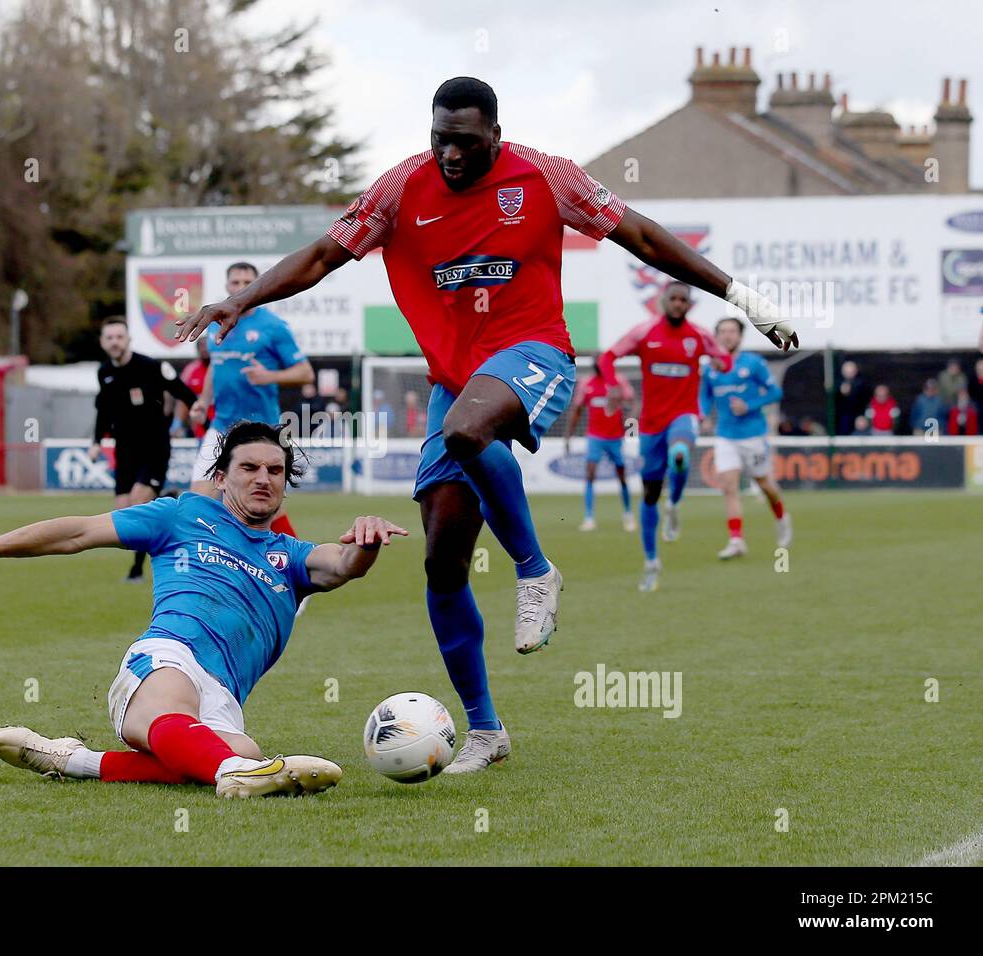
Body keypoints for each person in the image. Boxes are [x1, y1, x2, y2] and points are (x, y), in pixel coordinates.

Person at [173, 76, 796, 772]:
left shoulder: (546, 176)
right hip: (453, 381)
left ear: (494, 136)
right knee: (442, 561)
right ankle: (486, 731)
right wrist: (242, 302)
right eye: (440, 139)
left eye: (465, 142)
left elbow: (644, 237)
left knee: (469, 432)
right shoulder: (398, 189)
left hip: (535, 352)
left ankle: (535, 570)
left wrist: (739, 295)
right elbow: (322, 256)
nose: (450, 155)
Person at [0, 422, 408, 798]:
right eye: (249, 468)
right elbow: (76, 533)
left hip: (224, 692)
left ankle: (77, 761)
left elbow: (343, 564)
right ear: (221, 476)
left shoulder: (291, 557)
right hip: (169, 656)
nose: (263, 479)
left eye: (274, 471)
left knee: (243, 752)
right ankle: (231, 774)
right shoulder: (181, 514)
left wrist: (365, 540)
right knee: (189, 721)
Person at [599, 283, 732, 591]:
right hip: (651, 424)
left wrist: (719, 362)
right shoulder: (644, 333)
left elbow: (725, 361)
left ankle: (674, 505)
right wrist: (613, 385)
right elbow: (607, 357)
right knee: (648, 494)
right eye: (672, 298)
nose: (677, 303)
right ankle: (650, 561)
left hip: (684, 416)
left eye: (682, 299)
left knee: (680, 456)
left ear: (689, 304)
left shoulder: (699, 335)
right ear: (662, 302)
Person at [188, 261, 315, 547]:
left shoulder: (273, 327)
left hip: (262, 431)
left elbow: (305, 373)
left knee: (268, 508)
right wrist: (203, 401)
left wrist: (269, 375)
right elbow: (215, 367)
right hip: (221, 426)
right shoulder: (216, 323)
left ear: (259, 287)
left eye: (248, 282)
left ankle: (299, 572)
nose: (241, 288)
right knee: (198, 501)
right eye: (235, 282)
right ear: (227, 287)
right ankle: (209, 571)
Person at [90, 316, 200, 582]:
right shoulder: (104, 372)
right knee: (123, 511)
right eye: (109, 338)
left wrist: (196, 407)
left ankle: (137, 569)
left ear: (128, 339)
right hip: (125, 449)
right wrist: (96, 441)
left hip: (154, 446)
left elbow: (180, 389)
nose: (115, 342)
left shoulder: (149, 366)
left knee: (139, 504)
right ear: (103, 343)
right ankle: (166, 496)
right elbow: (104, 412)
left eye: (119, 336)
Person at [699, 317, 791, 560]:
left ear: (740, 336)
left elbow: (775, 392)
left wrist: (749, 405)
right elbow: (705, 396)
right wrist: (703, 414)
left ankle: (781, 518)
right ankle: (736, 540)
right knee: (729, 486)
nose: (727, 336)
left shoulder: (753, 363)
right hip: (725, 436)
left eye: (732, 331)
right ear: (717, 336)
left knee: (764, 484)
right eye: (723, 332)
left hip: (753, 435)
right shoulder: (710, 366)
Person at [562, 358, 635, 532]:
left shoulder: (619, 381)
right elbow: (577, 410)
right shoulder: (586, 384)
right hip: (595, 436)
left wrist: (631, 428)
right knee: (590, 474)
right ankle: (589, 518)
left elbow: (633, 403)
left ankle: (628, 514)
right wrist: (568, 435)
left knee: (622, 475)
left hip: (615, 438)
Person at [835, 361, 869, 436]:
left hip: (856, 418)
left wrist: (862, 416)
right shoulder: (837, 382)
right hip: (840, 419)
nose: (849, 374)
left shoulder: (861, 383)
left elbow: (864, 400)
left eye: (851, 371)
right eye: (847, 372)